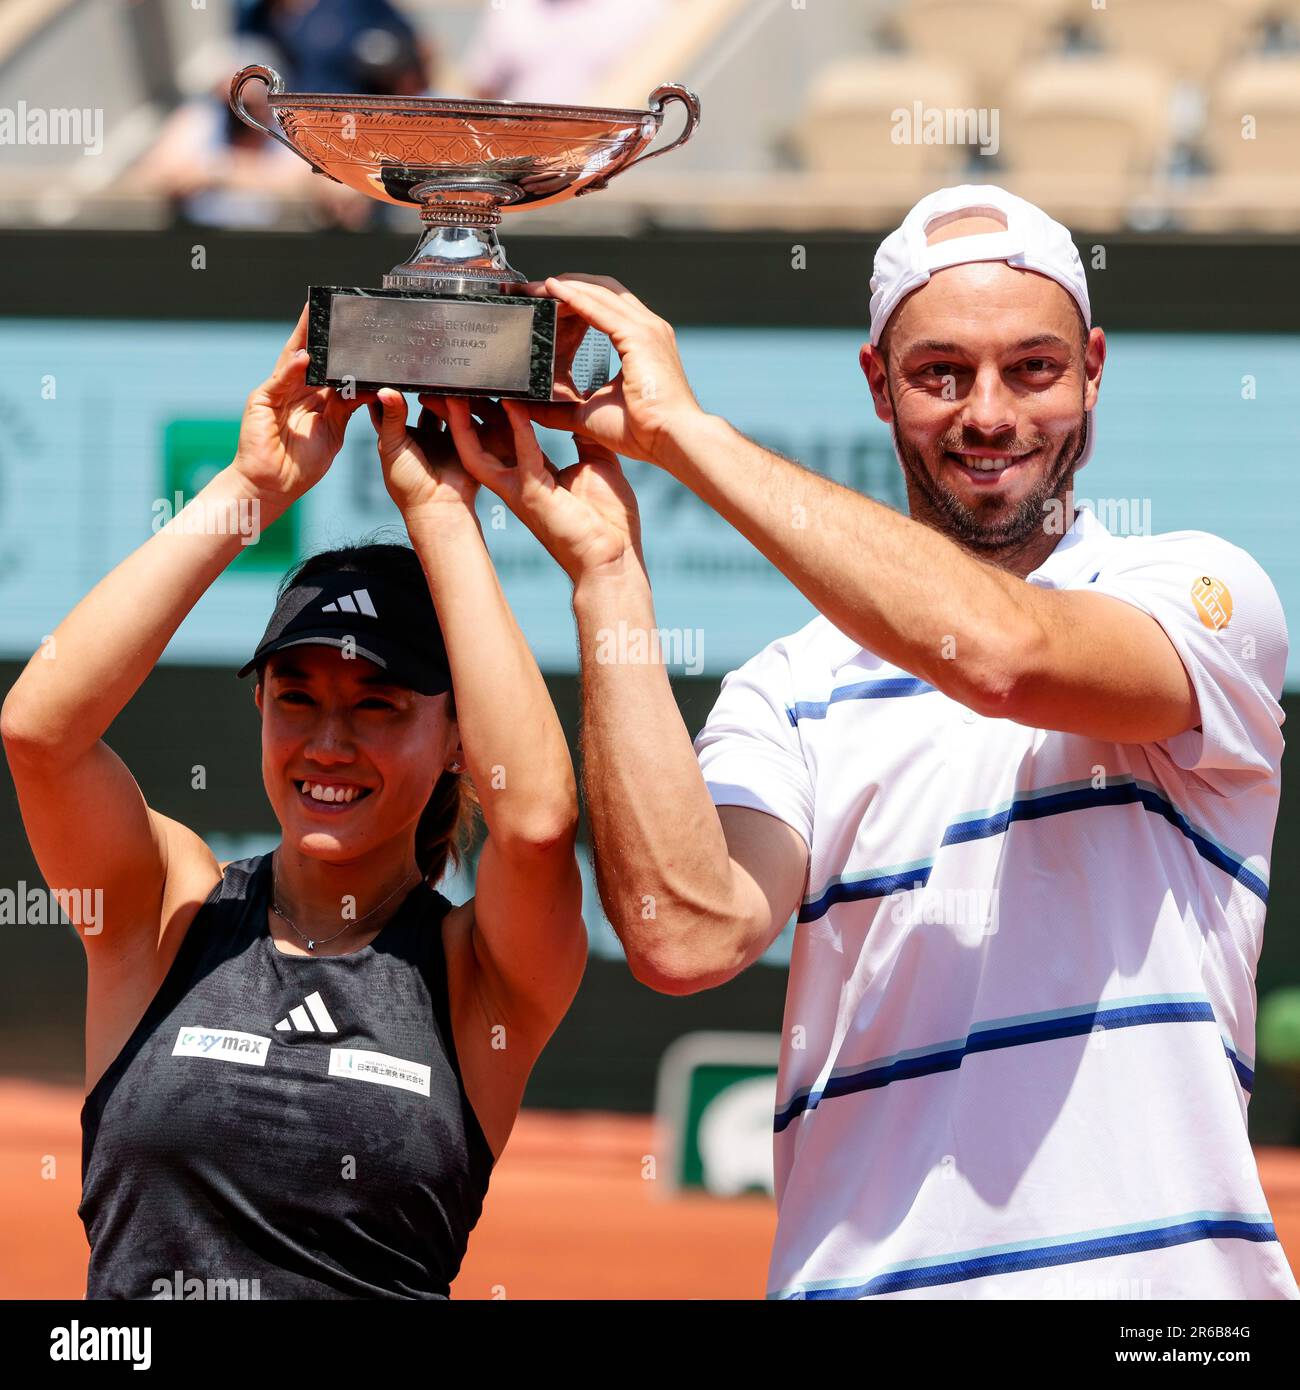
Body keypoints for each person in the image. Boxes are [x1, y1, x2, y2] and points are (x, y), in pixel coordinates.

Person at [428, 183, 1299, 1299]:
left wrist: (687, 438)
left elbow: (1001, 655)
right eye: (940, 373)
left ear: (1092, 366)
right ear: (876, 386)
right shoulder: (788, 688)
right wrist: (607, 578)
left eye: (1031, 367)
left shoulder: (1200, 592)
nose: (988, 414)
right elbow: (684, 937)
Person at [0, 309, 585, 1299]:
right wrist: (253, 489)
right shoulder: (170, 909)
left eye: (379, 706)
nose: (327, 742)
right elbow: (40, 731)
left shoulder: (475, 973)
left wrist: (440, 511)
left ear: (456, 741)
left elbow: (532, 820)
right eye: (297, 698)